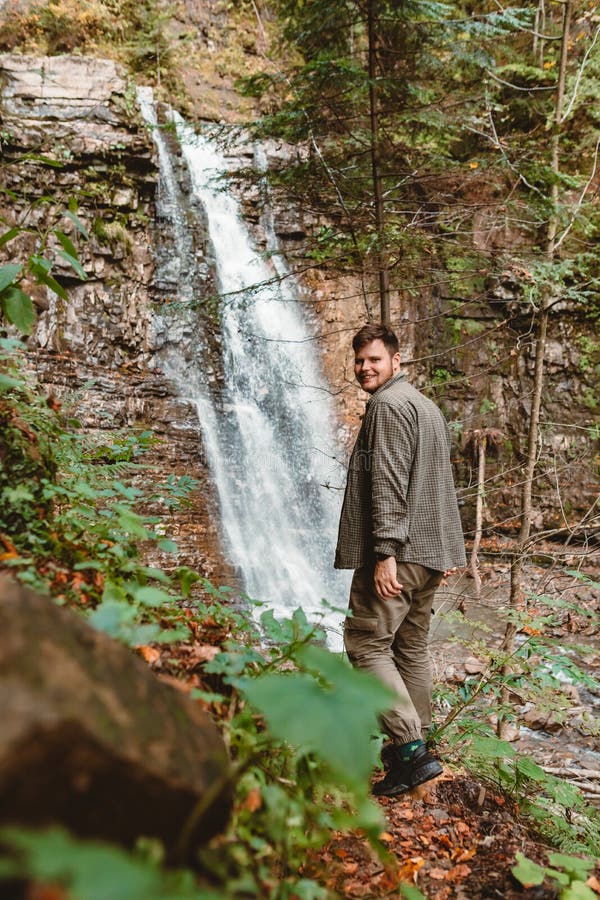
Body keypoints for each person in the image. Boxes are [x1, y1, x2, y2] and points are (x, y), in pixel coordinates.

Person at [335, 323, 466, 797]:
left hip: (401, 551)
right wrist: (449, 548)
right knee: (409, 649)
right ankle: (416, 751)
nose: (364, 367)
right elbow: (437, 483)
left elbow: (389, 481)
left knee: (366, 644)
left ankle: (412, 753)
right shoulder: (425, 406)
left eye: (374, 359)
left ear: (396, 361)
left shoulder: (388, 406)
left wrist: (385, 552)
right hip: (429, 551)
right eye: (359, 360)